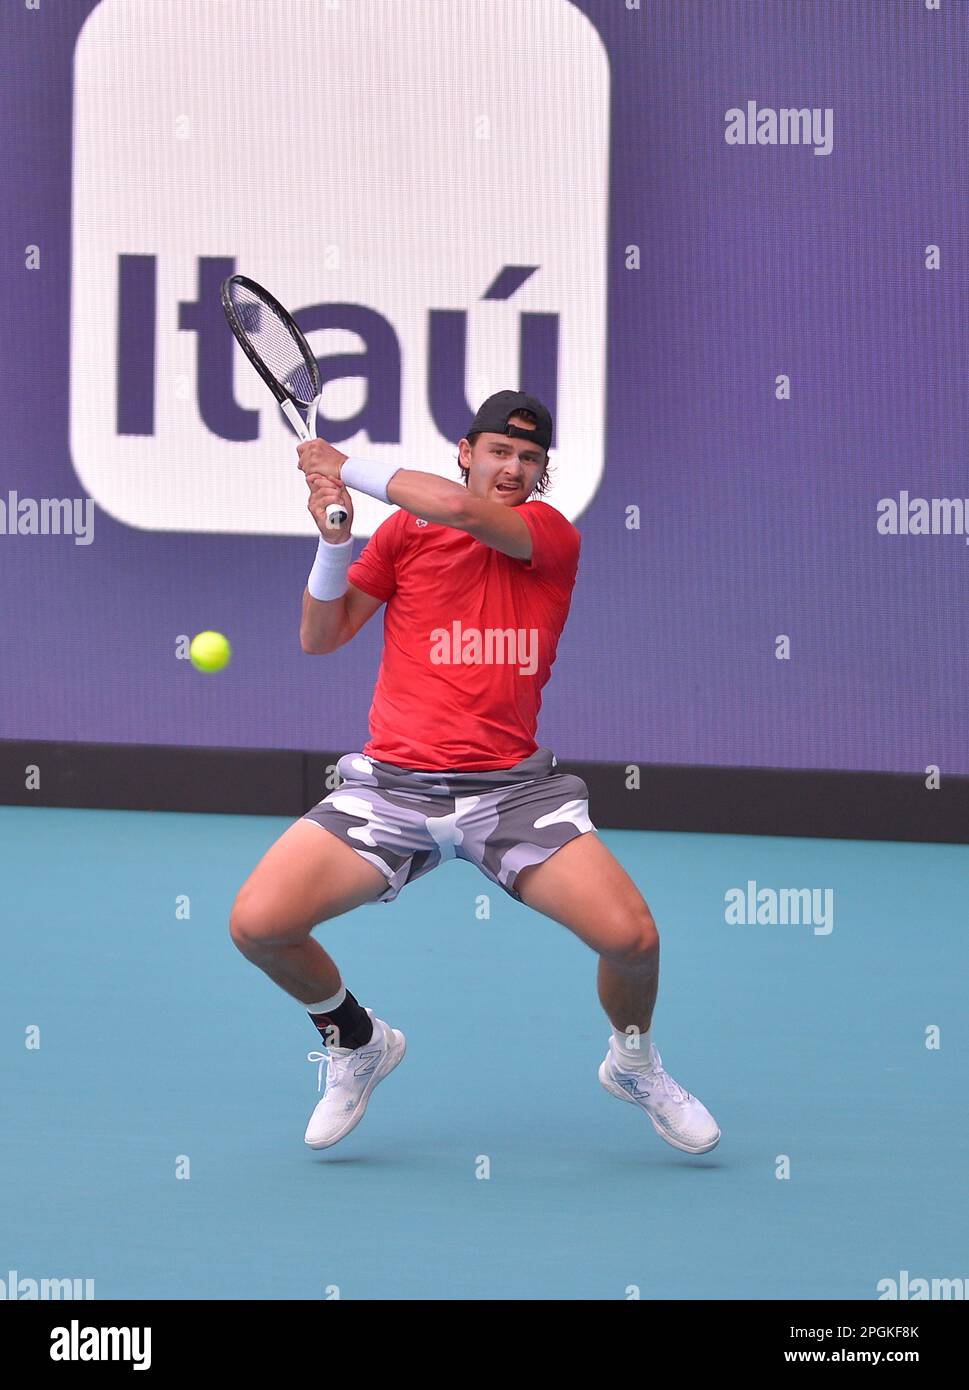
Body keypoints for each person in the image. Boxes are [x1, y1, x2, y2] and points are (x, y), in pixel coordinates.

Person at [229, 391, 720, 1156]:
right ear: (466, 451)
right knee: (259, 925)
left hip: (513, 795)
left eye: (528, 459)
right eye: (498, 451)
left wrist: (344, 464)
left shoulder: (543, 534)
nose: (512, 469)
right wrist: (333, 543)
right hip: (392, 788)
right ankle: (356, 1040)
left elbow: (464, 515)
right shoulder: (404, 533)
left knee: (632, 940)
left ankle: (632, 1061)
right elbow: (320, 636)